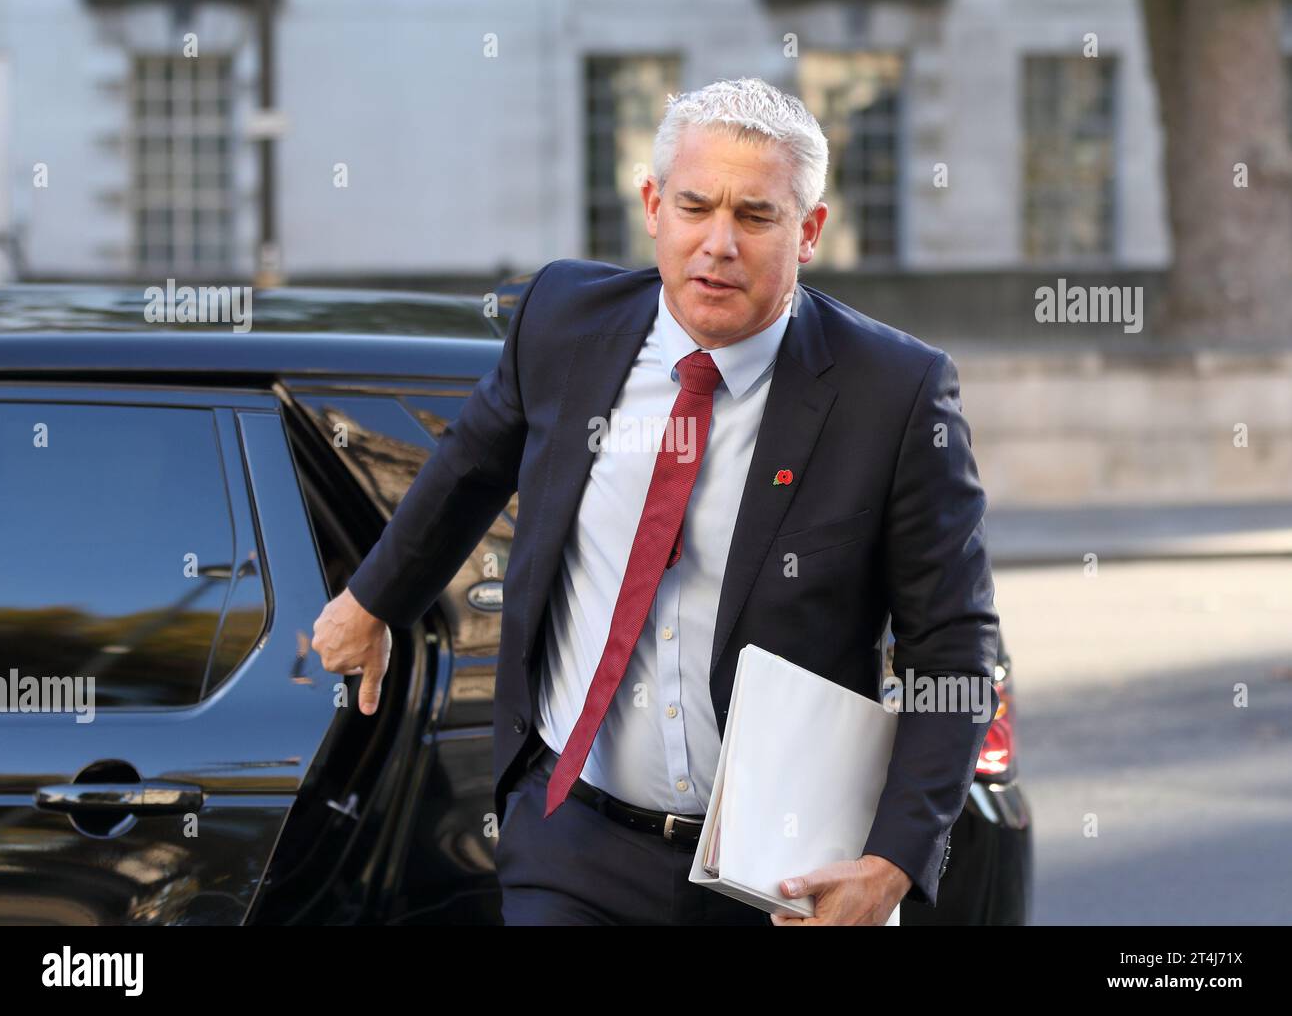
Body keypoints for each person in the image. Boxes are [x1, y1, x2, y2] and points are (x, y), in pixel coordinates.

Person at [311, 77, 999, 926]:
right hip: (575, 841)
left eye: (755, 216)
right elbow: (469, 466)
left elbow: (954, 645)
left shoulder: (895, 393)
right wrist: (372, 598)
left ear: (809, 230)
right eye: (695, 206)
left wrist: (892, 862)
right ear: (652, 205)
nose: (719, 243)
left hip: (782, 875)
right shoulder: (564, 321)